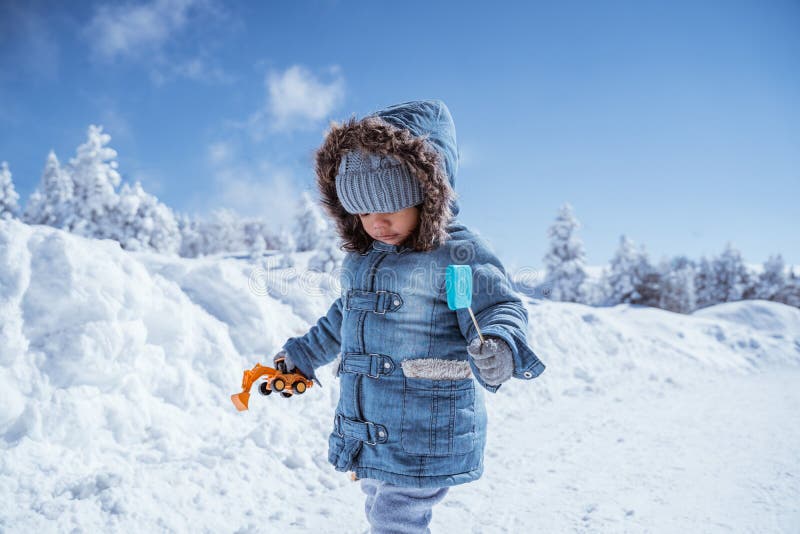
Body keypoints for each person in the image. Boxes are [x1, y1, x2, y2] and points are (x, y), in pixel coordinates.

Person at [273, 99, 546, 533]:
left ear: (425, 193)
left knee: (394, 519)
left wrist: (501, 343)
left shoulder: (456, 251)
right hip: (373, 428)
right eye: (363, 212)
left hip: (427, 427)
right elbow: (343, 317)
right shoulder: (364, 260)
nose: (376, 224)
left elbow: (499, 306)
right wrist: (304, 354)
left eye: (389, 208)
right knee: (380, 503)